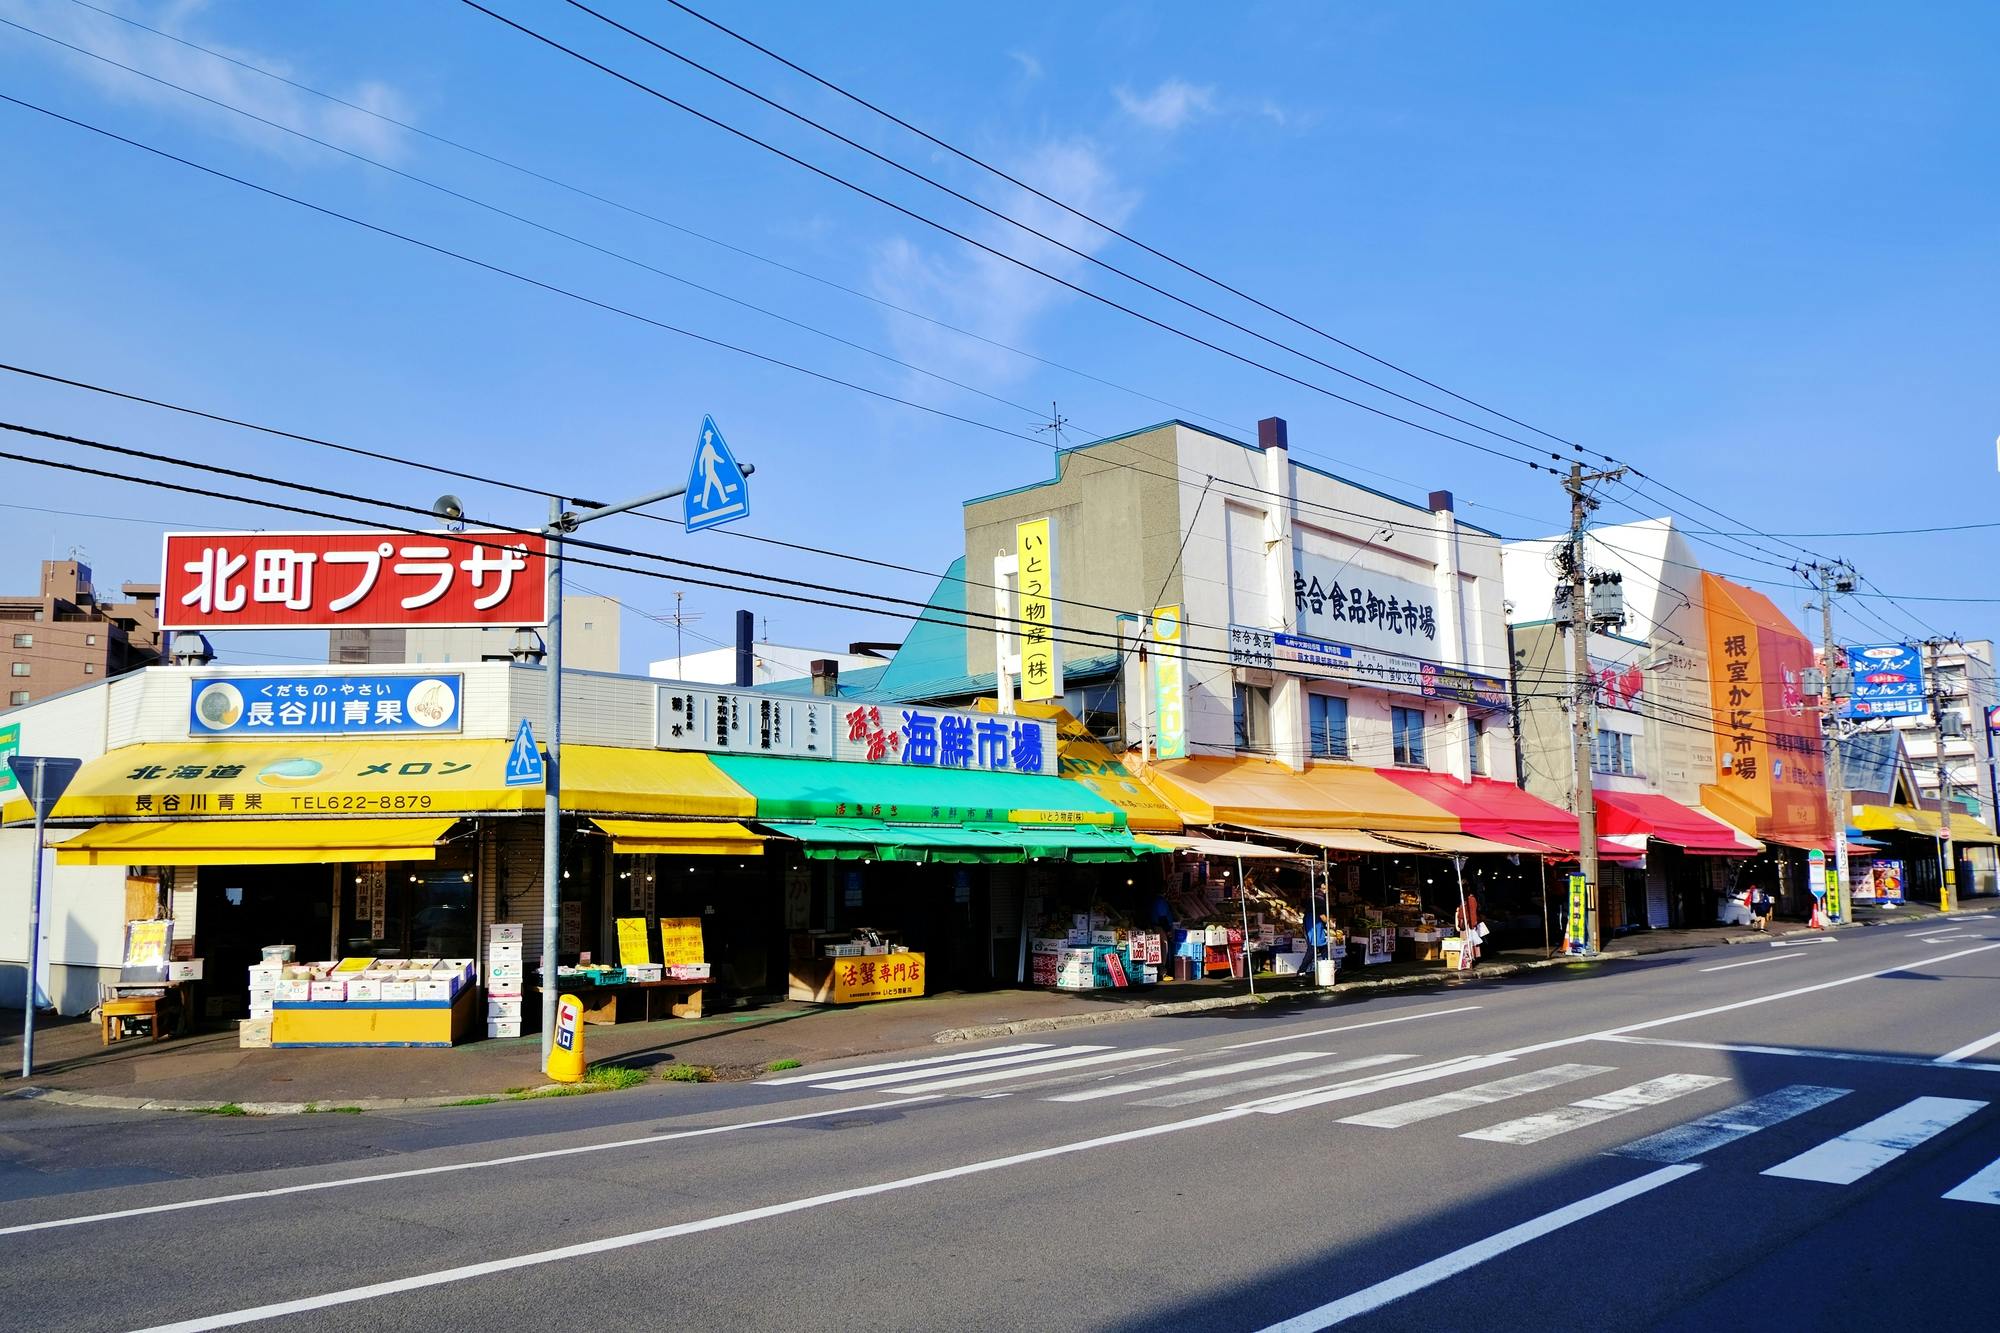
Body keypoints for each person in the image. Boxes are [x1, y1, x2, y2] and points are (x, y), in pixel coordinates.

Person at [1455, 889, 1482, 966]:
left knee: (1469, 941)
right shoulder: (1468, 900)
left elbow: (1470, 912)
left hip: (1468, 924)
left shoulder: (1470, 900)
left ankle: (1470, 957)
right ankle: (1470, 957)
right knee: (1469, 941)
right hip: (1468, 923)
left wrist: (1472, 923)